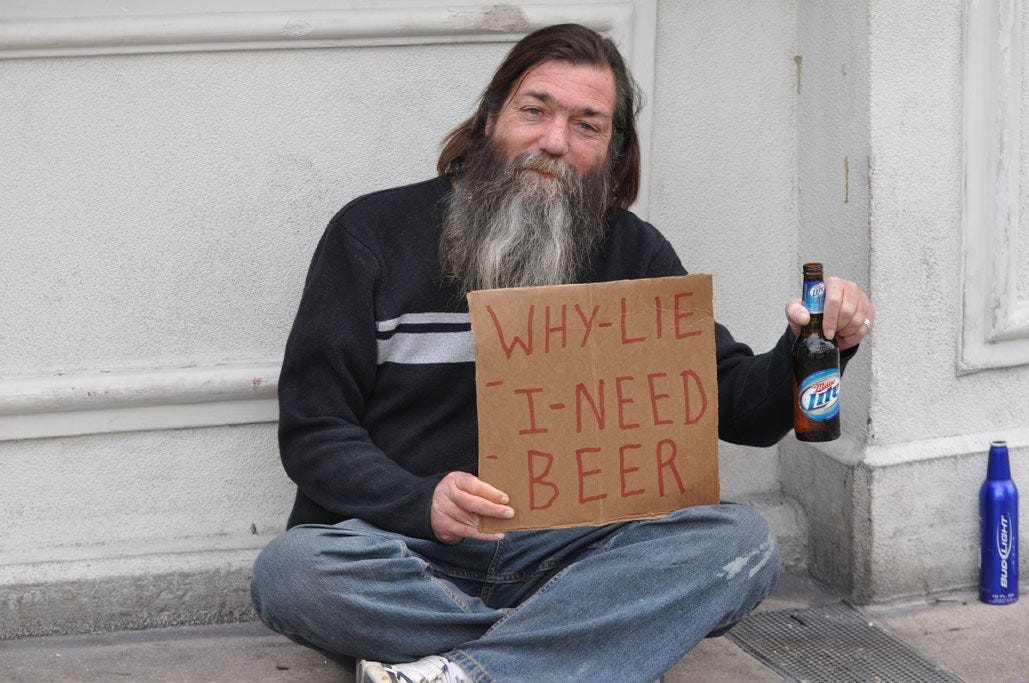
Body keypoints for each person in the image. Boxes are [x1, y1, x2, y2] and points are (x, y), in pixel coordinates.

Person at [250, 23, 875, 682]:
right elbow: (315, 431)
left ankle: (461, 671)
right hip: (410, 548)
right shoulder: (371, 234)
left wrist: (818, 343)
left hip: (571, 553)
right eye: (535, 111)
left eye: (586, 125)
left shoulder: (632, 253)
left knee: (742, 545)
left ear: (612, 149)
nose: (553, 141)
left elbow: (738, 408)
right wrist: (420, 500)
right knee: (289, 572)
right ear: (491, 117)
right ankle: (582, 642)